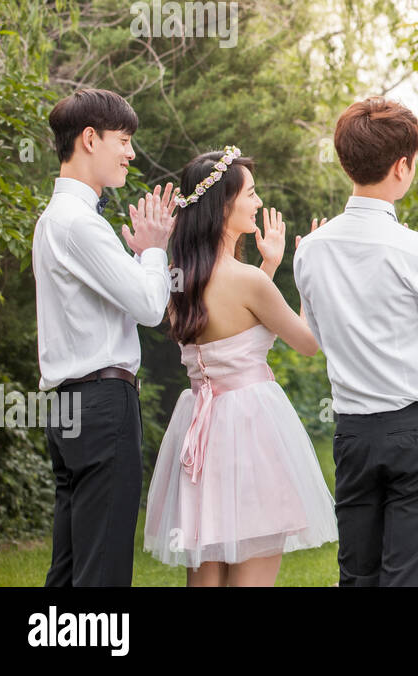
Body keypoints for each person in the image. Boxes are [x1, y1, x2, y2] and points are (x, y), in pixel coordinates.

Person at [294, 97, 418, 586]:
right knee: (406, 575)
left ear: (346, 163)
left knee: (357, 575)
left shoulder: (310, 251)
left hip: (353, 431)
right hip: (417, 430)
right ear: (403, 166)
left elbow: (316, 338)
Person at [144, 147, 338, 585]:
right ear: (225, 204)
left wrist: (268, 264)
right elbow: (308, 343)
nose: (258, 202)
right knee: (252, 563)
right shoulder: (245, 281)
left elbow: (238, 331)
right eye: (250, 193)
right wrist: (307, 277)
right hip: (250, 430)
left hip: (201, 428)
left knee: (207, 571)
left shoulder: (180, 279)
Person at [34, 88, 175, 587]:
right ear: (89, 139)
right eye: (124, 139)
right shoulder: (81, 225)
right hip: (101, 404)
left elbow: (114, 303)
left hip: (67, 405)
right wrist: (155, 250)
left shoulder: (54, 220)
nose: (131, 152)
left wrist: (138, 259)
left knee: (71, 565)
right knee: (103, 569)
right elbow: (151, 307)